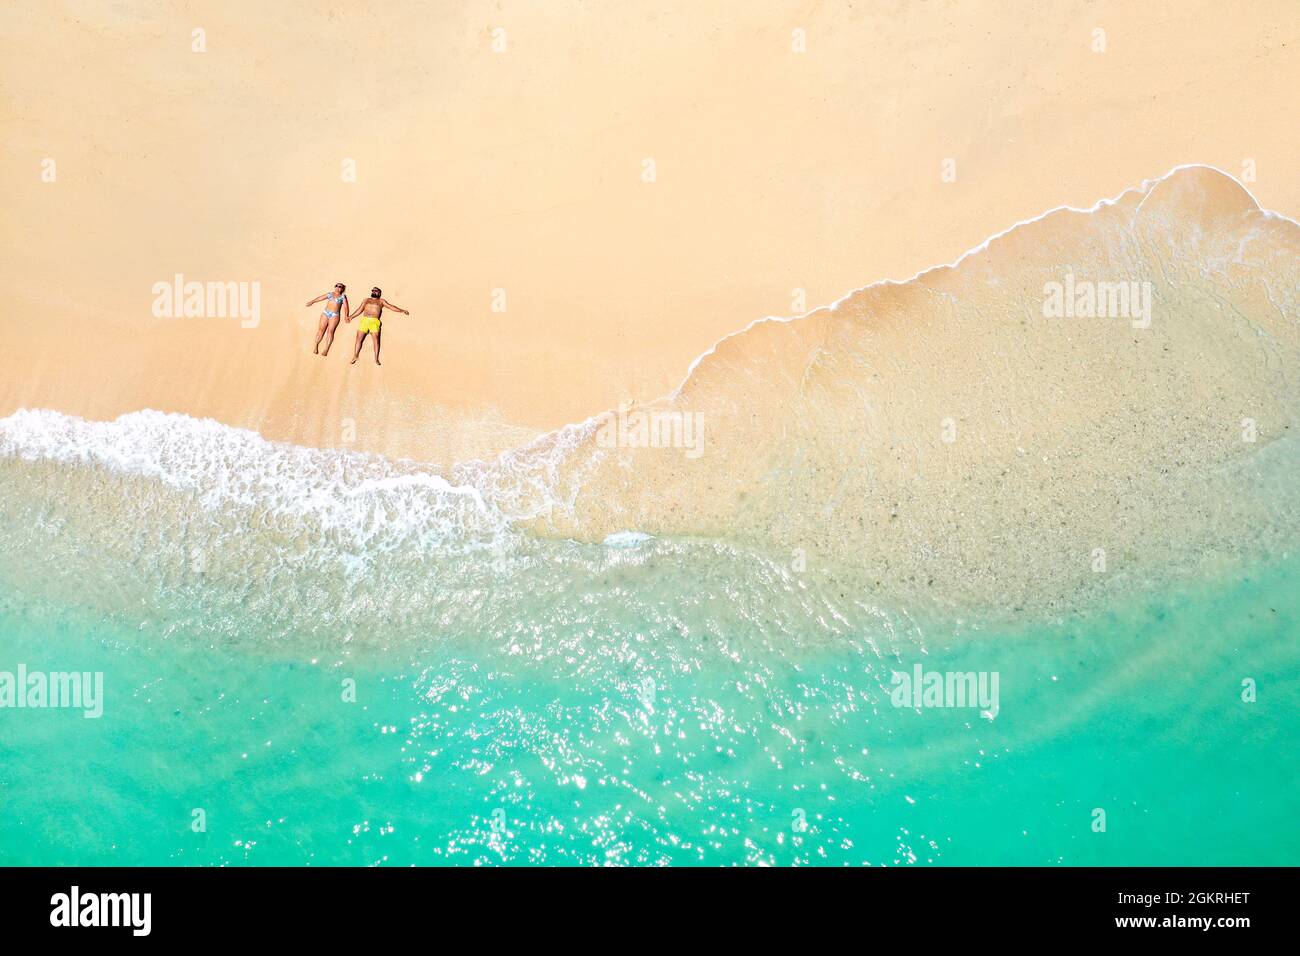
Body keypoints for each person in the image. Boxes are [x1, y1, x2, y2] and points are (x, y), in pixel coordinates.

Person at [348, 287, 409, 366]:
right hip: (364, 321)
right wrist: (351, 317)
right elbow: (360, 309)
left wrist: (402, 310)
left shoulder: (381, 301)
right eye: (373, 290)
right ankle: (355, 356)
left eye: (376, 291)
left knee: (376, 340)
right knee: (359, 339)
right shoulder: (366, 300)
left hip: (374, 321)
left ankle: (376, 358)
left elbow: (391, 307)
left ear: (379, 293)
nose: (374, 292)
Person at [306, 283, 349, 356]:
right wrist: (312, 301)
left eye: (340, 287)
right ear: (335, 287)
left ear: (342, 289)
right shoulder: (330, 294)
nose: (338, 287)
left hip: (334, 315)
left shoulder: (342, 297)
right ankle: (316, 346)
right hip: (326, 313)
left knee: (330, 331)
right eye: (337, 286)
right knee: (321, 330)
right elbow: (321, 298)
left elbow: (345, 307)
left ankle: (326, 349)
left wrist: (346, 316)